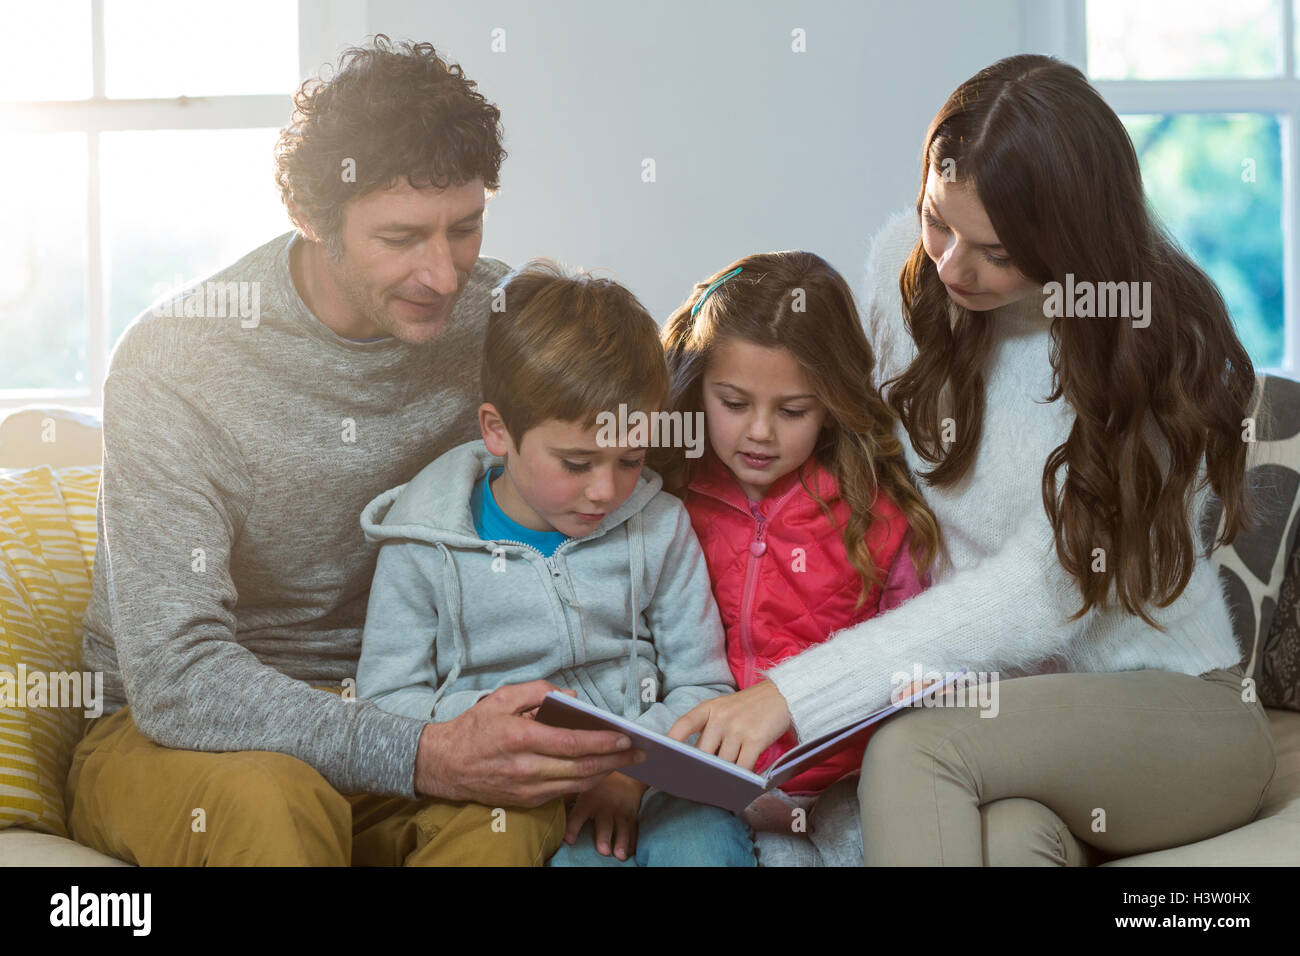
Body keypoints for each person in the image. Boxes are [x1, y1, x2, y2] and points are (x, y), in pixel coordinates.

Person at [669, 54, 1277, 866]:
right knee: (1010, 843)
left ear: (1071, 235)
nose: (953, 266)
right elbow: (845, 449)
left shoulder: (1147, 347)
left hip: (1175, 716)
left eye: (994, 249)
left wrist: (792, 696)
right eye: (938, 220)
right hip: (1012, 734)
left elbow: (1037, 595)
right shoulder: (900, 278)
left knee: (912, 751)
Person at [67, 36, 640, 867]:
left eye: (466, 228)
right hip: (181, 739)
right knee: (273, 797)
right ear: (312, 216)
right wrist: (422, 753)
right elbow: (178, 676)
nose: (442, 275)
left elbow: (626, 427)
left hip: (412, 705)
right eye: (401, 237)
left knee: (510, 818)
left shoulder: (503, 317)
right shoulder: (177, 361)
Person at [357, 260, 755, 867]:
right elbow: (386, 701)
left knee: (705, 847)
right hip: (517, 790)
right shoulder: (421, 543)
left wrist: (631, 773)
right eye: (575, 463)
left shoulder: (662, 525)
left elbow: (702, 684)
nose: (605, 490)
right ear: (498, 431)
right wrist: (492, 731)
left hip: (650, 781)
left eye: (630, 459)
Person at [654, 251, 939, 865]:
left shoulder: (875, 510)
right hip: (714, 785)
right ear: (697, 383)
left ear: (832, 403)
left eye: (792, 411)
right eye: (733, 403)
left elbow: (914, 659)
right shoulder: (668, 495)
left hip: (843, 787)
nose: (759, 432)